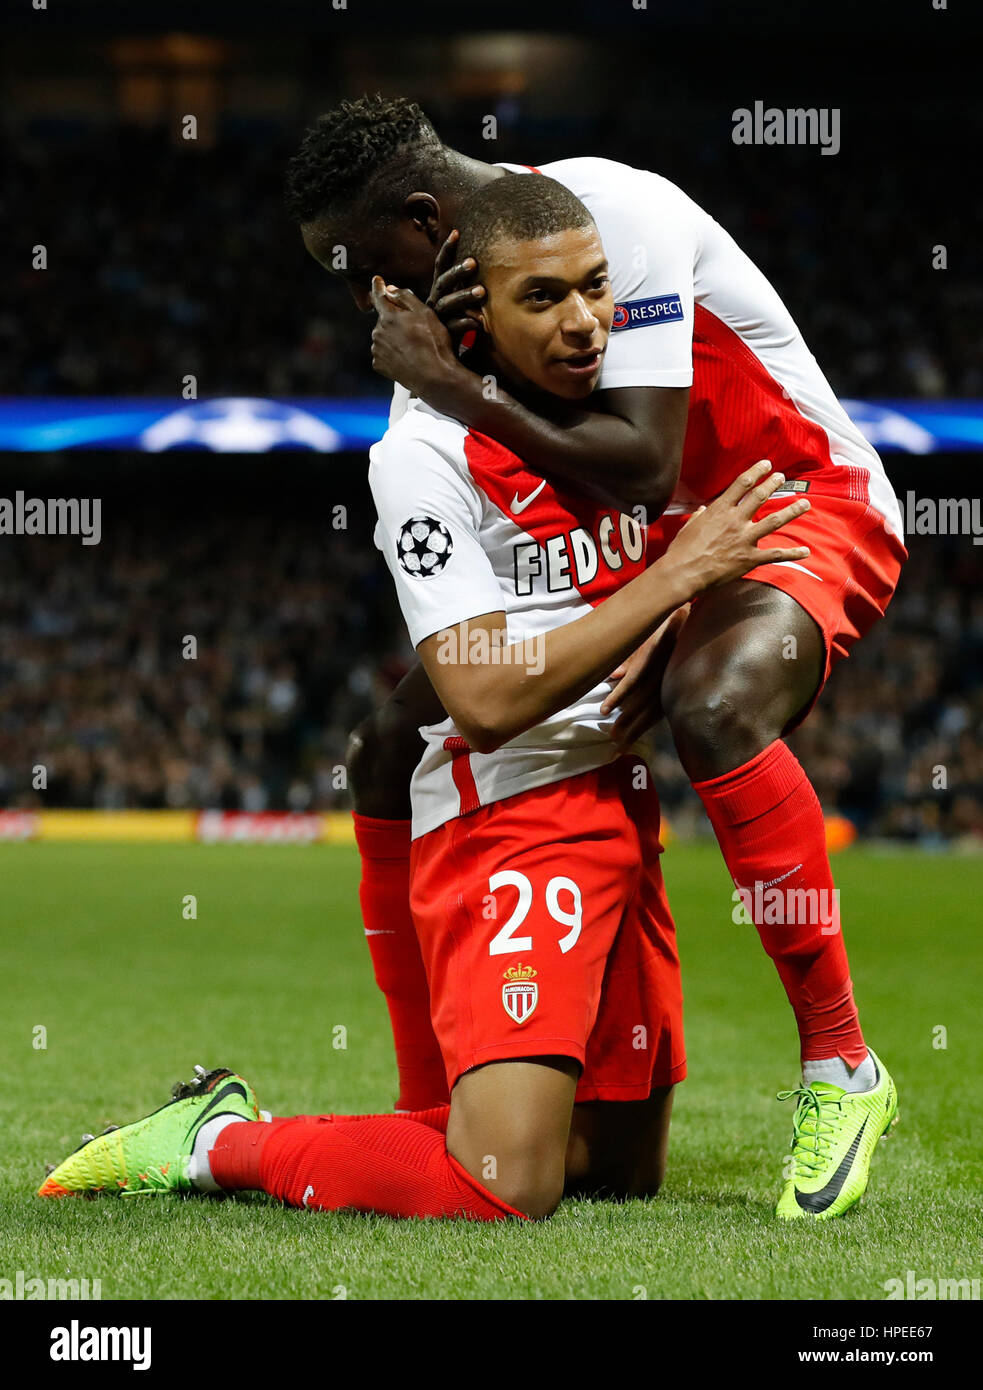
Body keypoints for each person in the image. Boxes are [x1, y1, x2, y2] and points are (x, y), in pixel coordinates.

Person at [39, 179, 812, 1221]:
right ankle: (211, 1140)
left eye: (594, 289)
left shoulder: (615, 431)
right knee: (503, 1185)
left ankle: (429, 1120)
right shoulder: (425, 458)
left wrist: (694, 594)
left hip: (618, 812)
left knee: (617, 1169)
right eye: (541, 299)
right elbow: (483, 698)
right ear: (473, 315)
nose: (584, 322)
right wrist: (673, 582)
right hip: (506, 822)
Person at [283, 95, 905, 1218]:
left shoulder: (606, 213)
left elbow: (638, 458)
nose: (371, 297)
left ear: (425, 226)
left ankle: (839, 1064)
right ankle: (426, 1101)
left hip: (791, 500)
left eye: (369, 265)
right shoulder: (466, 323)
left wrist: (453, 390)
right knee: (385, 744)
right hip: (650, 545)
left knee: (710, 707)